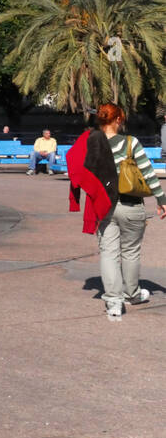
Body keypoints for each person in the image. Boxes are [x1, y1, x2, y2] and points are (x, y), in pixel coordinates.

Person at [68, 103, 165, 320]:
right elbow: (148, 174)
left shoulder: (90, 142)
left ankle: (113, 302)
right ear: (119, 119)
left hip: (103, 206)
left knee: (109, 253)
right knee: (130, 252)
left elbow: (76, 167)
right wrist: (161, 199)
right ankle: (132, 294)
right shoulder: (131, 142)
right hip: (131, 205)